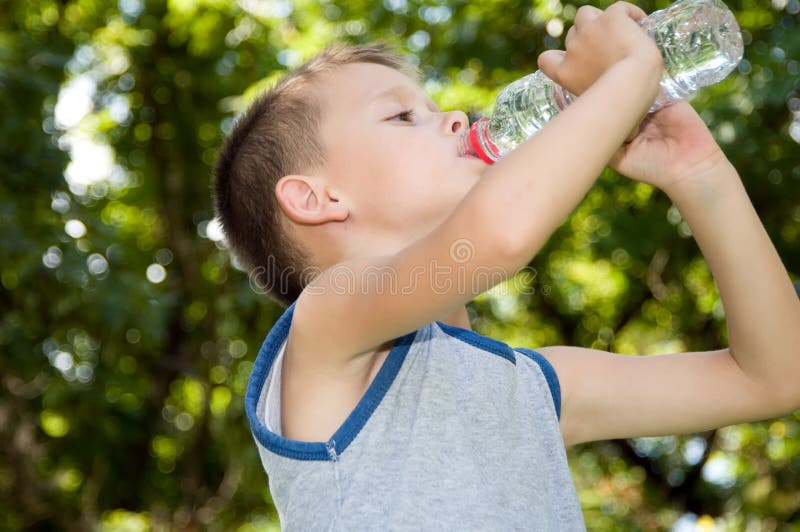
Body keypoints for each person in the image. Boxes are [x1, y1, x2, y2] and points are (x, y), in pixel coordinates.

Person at [212, 2, 800, 528]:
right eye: (402, 117)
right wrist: (630, 72)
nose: (456, 119)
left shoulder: (530, 388)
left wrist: (697, 172)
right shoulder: (327, 322)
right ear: (316, 199)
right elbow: (495, 236)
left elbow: (773, 378)